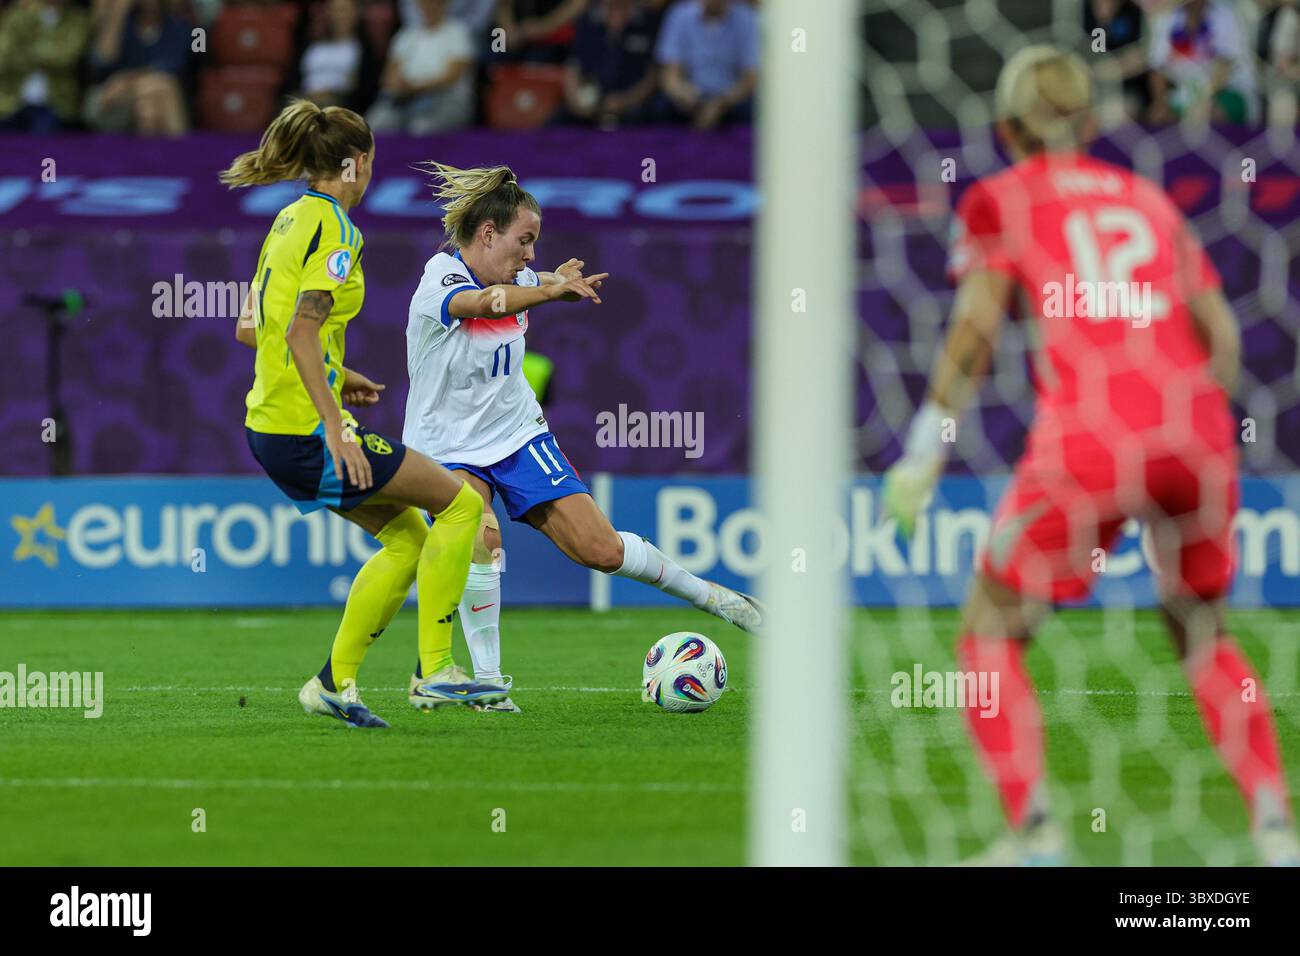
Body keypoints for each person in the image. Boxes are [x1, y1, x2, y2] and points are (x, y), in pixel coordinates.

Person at [883, 46, 1298, 865]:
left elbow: (974, 327)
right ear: (1091, 121)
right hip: (1199, 432)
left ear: (1006, 129)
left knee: (990, 627)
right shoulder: (1148, 199)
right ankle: (1278, 830)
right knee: (1204, 632)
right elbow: (1222, 335)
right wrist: (1188, 428)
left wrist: (924, 447)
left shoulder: (1005, 197)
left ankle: (1035, 835)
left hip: (1089, 438)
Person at [401, 162, 763, 712]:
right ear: (488, 233)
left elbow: (531, 283)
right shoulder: (441, 280)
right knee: (482, 536)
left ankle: (717, 599)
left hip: (517, 435)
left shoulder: (518, 279)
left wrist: (555, 286)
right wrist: (548, 292)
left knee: (602, 549)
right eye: (524, 242)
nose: (529, 255)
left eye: (535, 245)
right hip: (444, 447)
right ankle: (490, 686)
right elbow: (480, 306)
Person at [224, 100, 509, 728]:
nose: (372, 174)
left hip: (272, 427)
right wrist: (331, 420)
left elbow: (253, 328)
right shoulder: (337, 231)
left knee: (406, 537)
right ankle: (436, 672)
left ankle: (334, 683)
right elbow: (297, 333)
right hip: (306, 432)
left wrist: (337, 373)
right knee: (460, 505)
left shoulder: (286, 221)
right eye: (371, 163)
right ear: (355, 164)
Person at [84, 0, 193, 136]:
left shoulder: (176, 27)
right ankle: (184, 151)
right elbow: (102, 61)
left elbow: (169, 69)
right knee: (161, 90)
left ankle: (150, 155)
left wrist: (126, 80)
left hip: (140, 89)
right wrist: (118, 12)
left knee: (149, 106)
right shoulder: (122, 22)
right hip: (109, 95)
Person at [366, 0, 475, 134]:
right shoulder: (406, 35)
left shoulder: (457, 33)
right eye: (425, 3)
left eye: (434, 3)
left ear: (444, 4)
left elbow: (452, 76)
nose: (429, 7)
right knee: (374, 125)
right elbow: (388, 78)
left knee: (420, 128)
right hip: (405, 98)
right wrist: (401, 87)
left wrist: (417, 87)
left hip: (443, 99)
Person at [1146, 0, 1258, 125]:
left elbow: (1223, 70)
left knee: (1209, 113)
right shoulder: (1167, 18)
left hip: (1228, 91)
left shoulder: (1226, 15)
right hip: (1185, 92)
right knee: (1157, 116)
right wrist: (1161, 102)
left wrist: (1201, 100)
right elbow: (1157, 69)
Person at [556, 0, 661, 128]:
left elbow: (654, 76)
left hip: (634, 103)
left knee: (652, 116)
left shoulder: (649, 20)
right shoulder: (588, 19)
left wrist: (626, 100)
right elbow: (573, 67)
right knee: (557, 123)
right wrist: (576, 100)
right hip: (591, 101)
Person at [653, 0, 757, 128]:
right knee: (661, 107)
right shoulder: (680, 15)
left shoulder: (747, 18)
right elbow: (670, 73)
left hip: (730, 97)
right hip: (691, 96)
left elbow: (750, 78)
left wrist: (721, 103)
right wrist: (681, 92)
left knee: (754, 110)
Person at [0, 0, 90, 133]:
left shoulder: (78, 19)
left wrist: (25, 51)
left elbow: (66, 59)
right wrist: (49, 50)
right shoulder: (20, 15)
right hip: (10, 102)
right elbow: (4, 56)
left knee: (42, 147)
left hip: (54, 105)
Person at [295, 0, 381, 114]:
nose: (340, 15)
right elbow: (295, 78)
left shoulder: (363, 49)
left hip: (341, 104)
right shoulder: (313, 44)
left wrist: (332, 94)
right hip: (305, 99)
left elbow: (365, 87)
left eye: (344, 10)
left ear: (357, 12)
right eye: (335, 10)